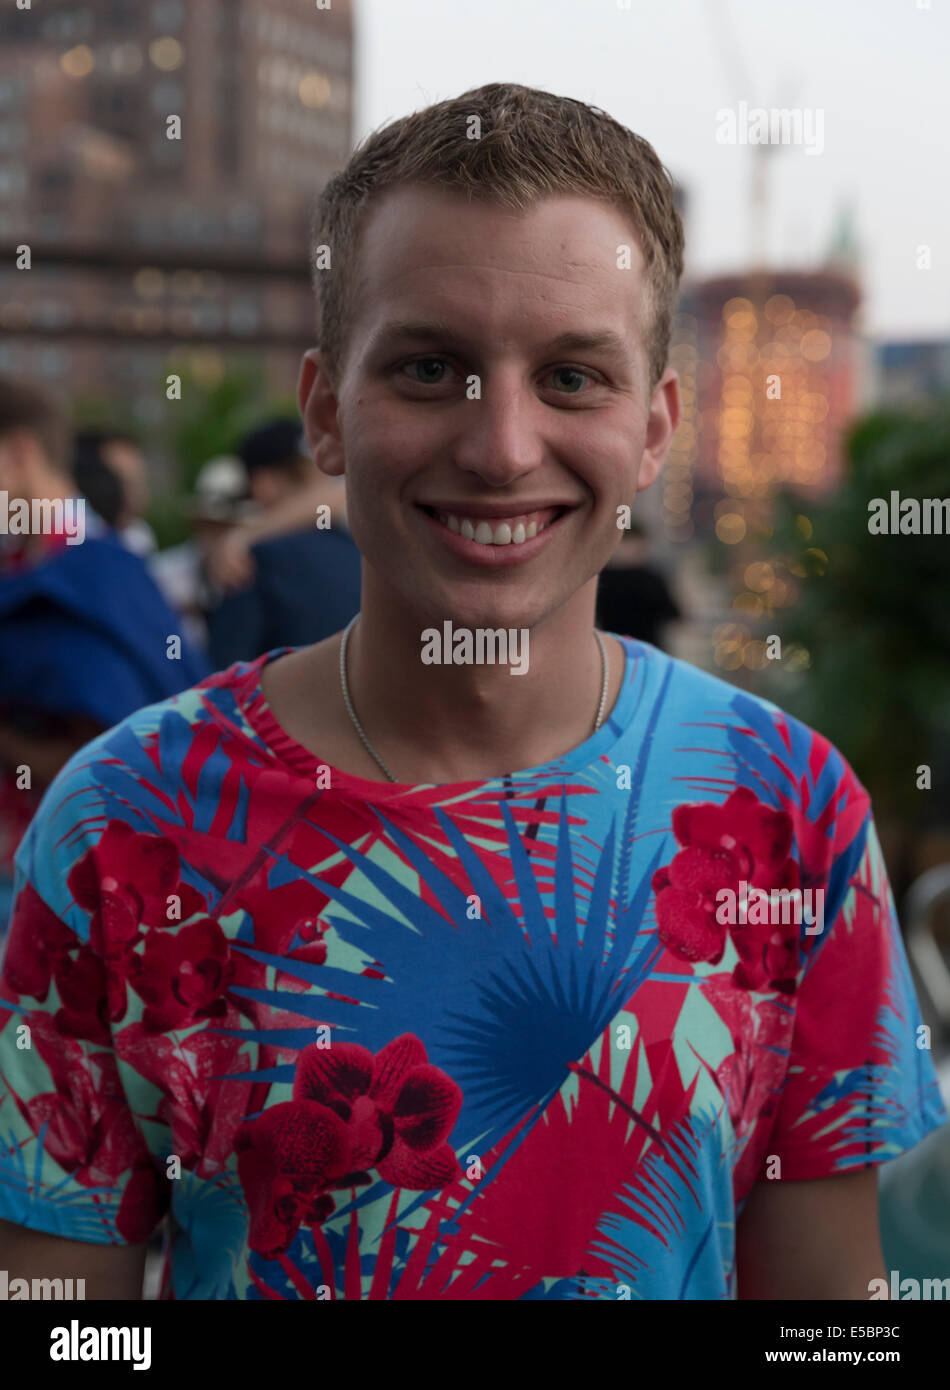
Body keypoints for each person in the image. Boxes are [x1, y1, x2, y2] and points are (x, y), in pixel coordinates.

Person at [0, 84, 944, 1303]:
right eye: (431, 367)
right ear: (325, 412)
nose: (500, 445)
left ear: (653, 430)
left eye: (570, 377)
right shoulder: (122, 826)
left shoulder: (783, 813)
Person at [0, 378, 208, 946]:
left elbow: (107, 756)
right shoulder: (33, 563)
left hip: (75, 883)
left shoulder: (92, 574)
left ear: (20, 452)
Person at [205, 419, 361, 666]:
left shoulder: (256, 560)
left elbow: (222, 676)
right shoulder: (366, 551)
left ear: (261, 484)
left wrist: (240, 537)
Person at [596, 518, 681, 650]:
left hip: (609, 652)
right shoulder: (650, 578)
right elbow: (674, 614)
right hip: (647, 653)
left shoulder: (598, 578)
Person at [73, 427, 158, 559]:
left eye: (138, 481)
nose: (135, 493)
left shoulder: (140, 538)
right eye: (120, 481)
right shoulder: (76, 541)